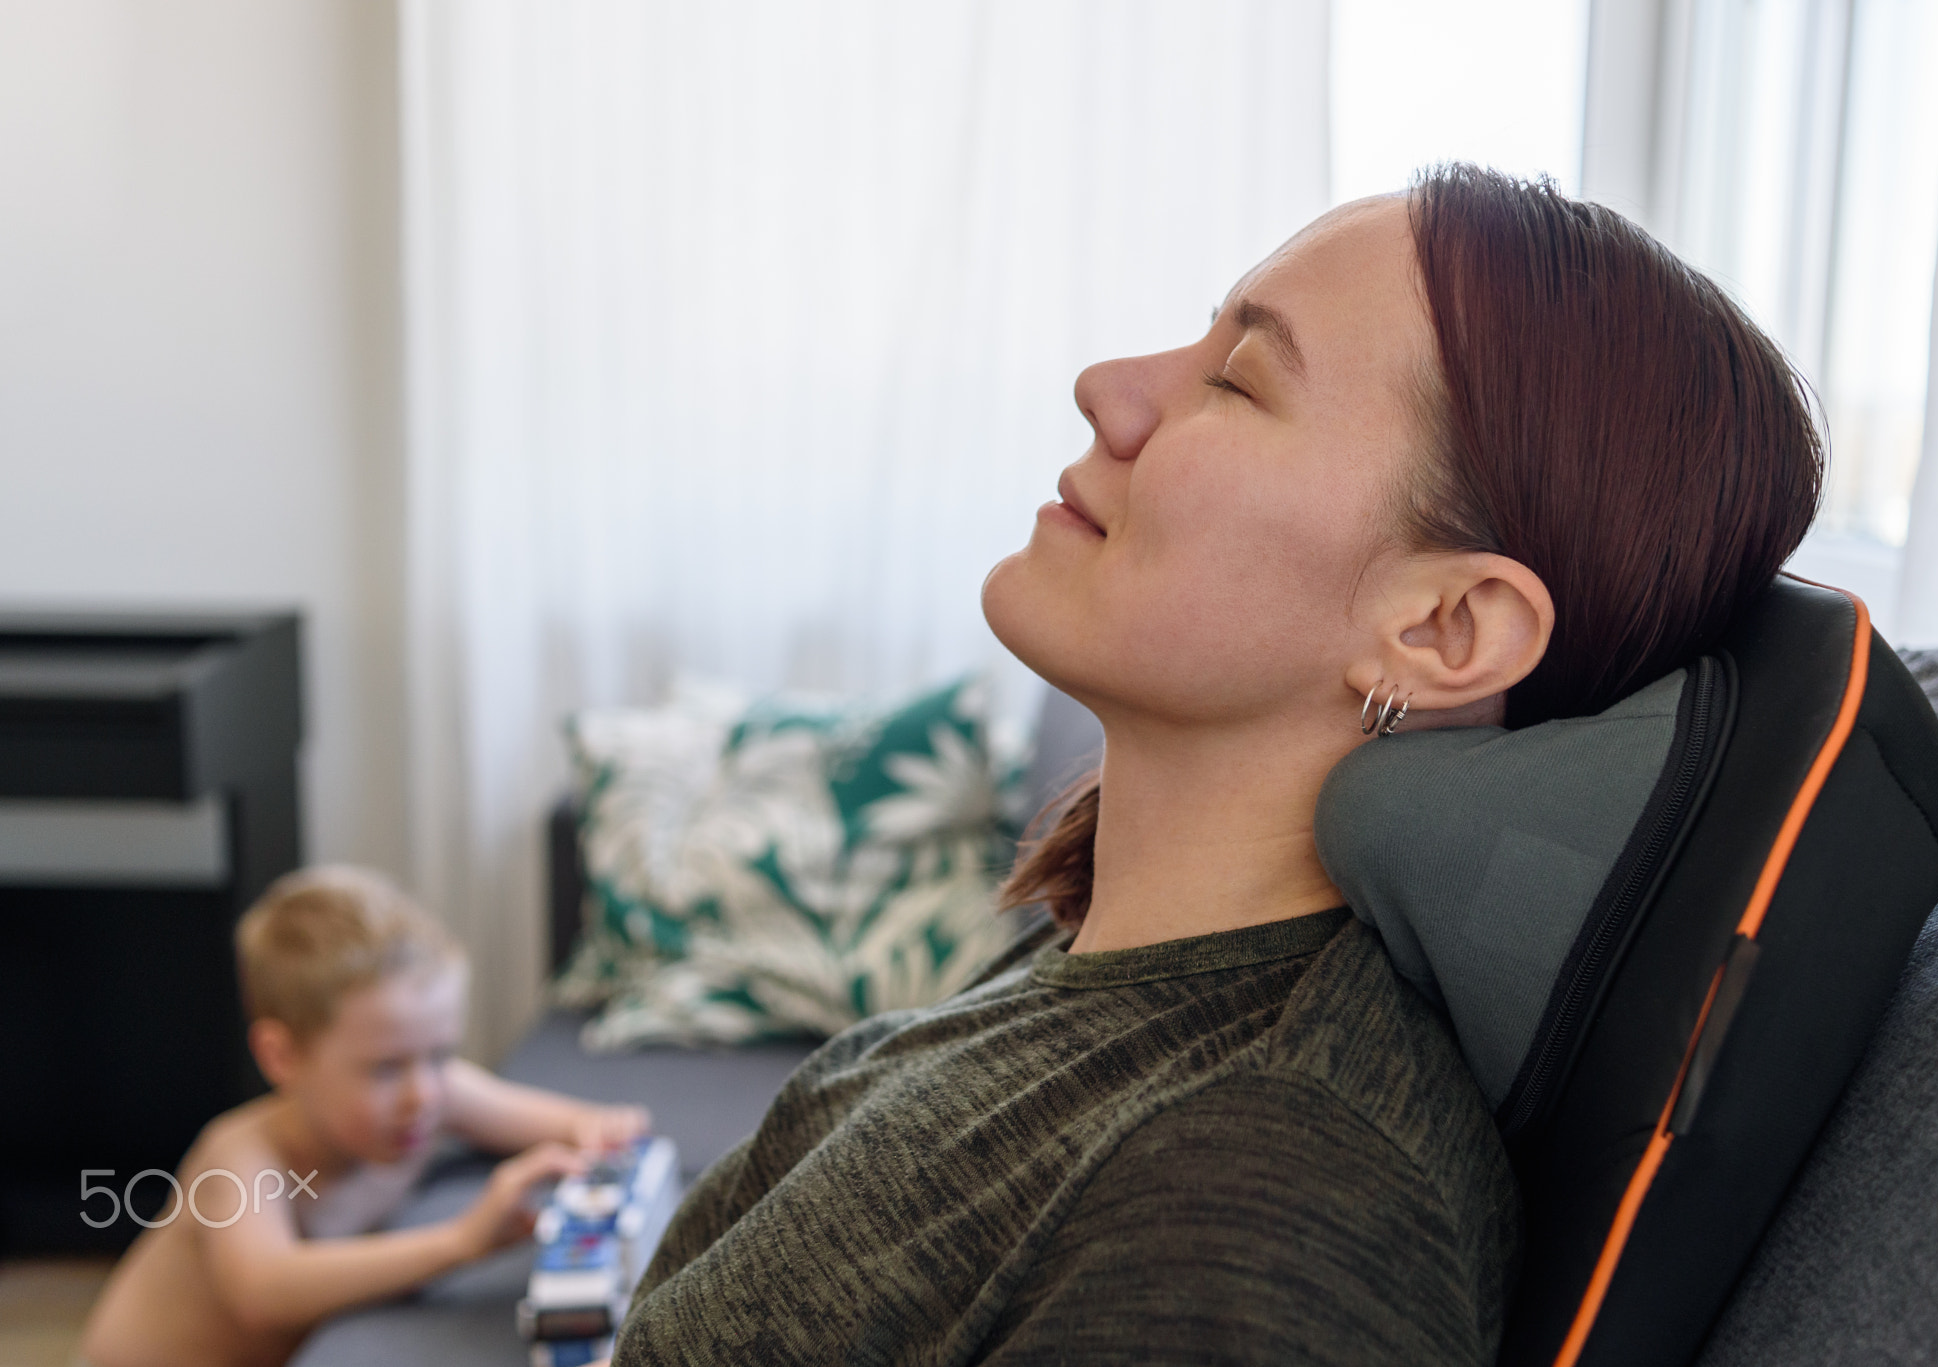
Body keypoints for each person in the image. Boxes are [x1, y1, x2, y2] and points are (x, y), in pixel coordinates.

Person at [609, 163, 1822, 1366]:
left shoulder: (1262, 1200)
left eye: (1237, 382)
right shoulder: (1106, 974)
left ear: (1442, 629)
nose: (1105, 390)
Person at [78, 865, 651, 1367]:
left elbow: (569, 1123)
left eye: (441, 1055)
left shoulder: (421, 1093)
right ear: (283, 1056)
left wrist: (597, 1135)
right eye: (384, 1068)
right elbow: (263, 1292)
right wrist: (461, 1240)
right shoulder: (242, 1158)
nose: (423, 1093)